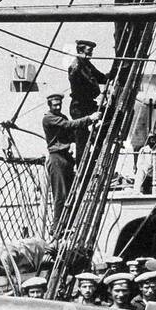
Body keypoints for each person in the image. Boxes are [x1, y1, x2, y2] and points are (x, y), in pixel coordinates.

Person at [41, 93, 99, 222]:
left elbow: (71, 133)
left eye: (59, 104)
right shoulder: (49, 118)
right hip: (56, 159)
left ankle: (69, 221)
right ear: (49, 105)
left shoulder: (62, 117)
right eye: (55, 105)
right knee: (60, 194)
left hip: (67, 159)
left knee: (71, 192)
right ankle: (57, 224)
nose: (57, 107)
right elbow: (69, 125)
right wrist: (90, 118)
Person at [67, 39, 107, 162]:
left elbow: (101, 77)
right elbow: (81, 82)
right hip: (79, 107)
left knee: (110, 114)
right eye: (89, 50)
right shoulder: (76, 66)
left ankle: (96, 143)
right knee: (81, 140)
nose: (92, 53)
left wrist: (114, 75)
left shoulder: (87, 64)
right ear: (80, 50)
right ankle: (80, 167)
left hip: (88, 105)